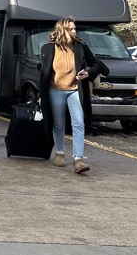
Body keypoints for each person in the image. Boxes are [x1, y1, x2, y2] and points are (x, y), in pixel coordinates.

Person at [40, 17, 107, 174]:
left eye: (75, 28)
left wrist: (87, 73)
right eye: (71, 29)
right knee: (58, 123)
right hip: (55, 90)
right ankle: (59, 152)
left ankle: (78, 159)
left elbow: (95, 65)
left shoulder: (80, 47)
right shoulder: (48, 49)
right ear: (62, 30)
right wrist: (41, 94)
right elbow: (44, 74)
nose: (75, 31)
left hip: (75, 90)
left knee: (79, 122)